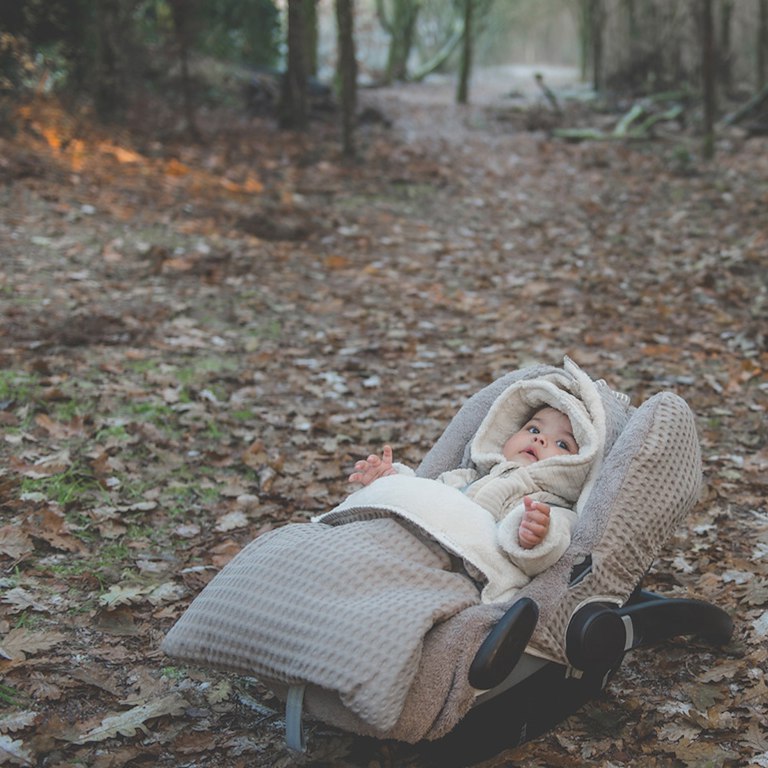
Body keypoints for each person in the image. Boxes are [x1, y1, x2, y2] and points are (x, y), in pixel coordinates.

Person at [349, 406, 578, 552]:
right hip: (409, 542)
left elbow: (556, 543)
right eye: (534, 429)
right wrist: (393, 482)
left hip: (464, 565)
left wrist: (536, 538)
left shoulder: (548, 508)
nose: (539, 440)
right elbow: (423, 493)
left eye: (562, 444)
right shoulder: (466, 477)